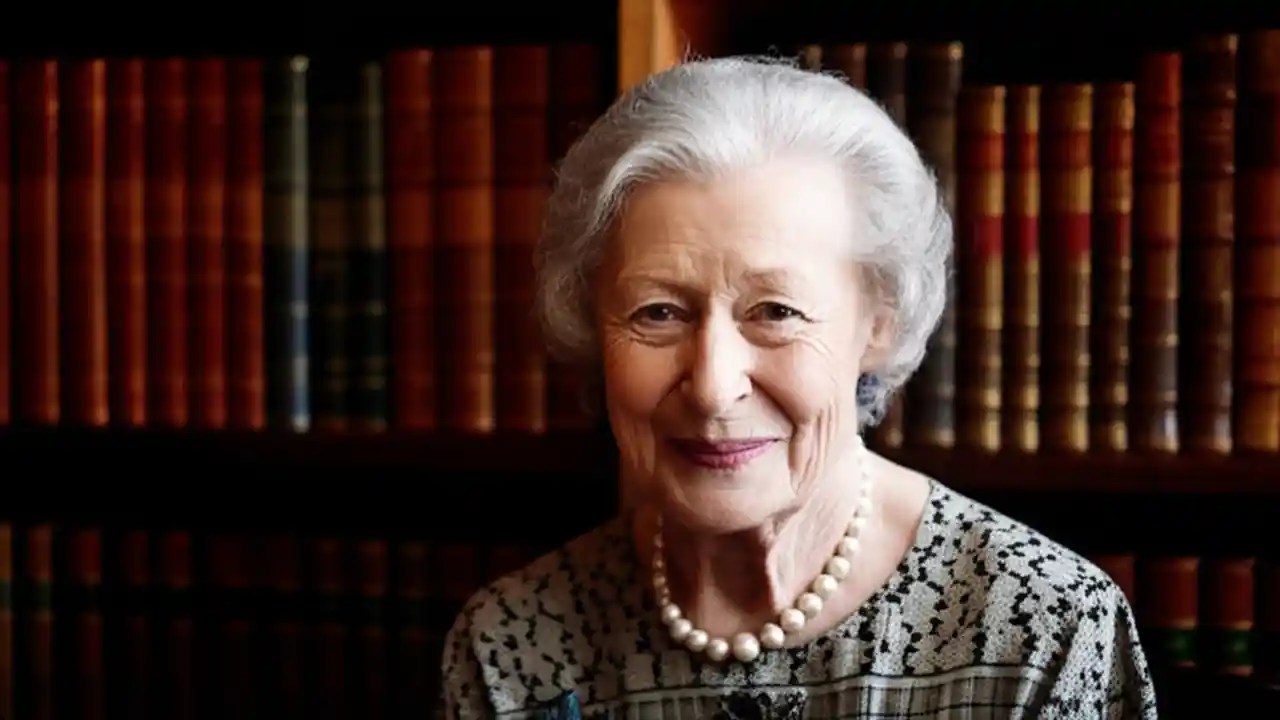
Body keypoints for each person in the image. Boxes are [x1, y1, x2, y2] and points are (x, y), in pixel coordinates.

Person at [437, 55, 1158, 719]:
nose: (715, 387)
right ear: (594, 328)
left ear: (878, 323)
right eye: (658, 312)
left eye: (775, 312)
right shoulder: (512, 646)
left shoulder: (1041, 628)